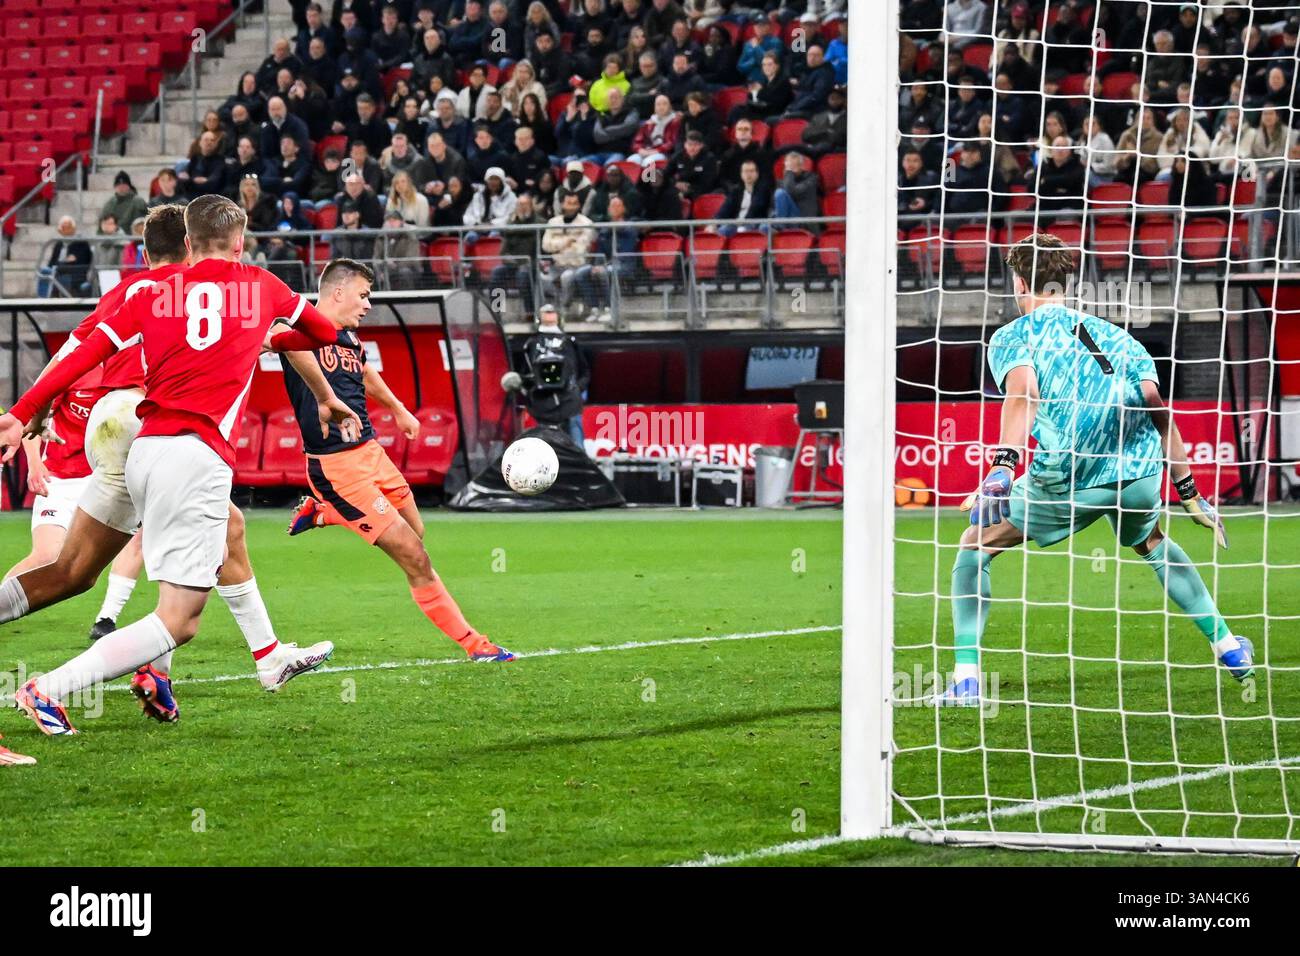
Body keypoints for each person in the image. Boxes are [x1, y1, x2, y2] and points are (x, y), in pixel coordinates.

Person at [0, 197, 353, 736]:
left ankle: (258, 658)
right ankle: (47, 689)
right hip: (194, 456)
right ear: (241, 243)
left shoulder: (150, 293)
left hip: (137, 446)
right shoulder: (260, 286)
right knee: (181, 617)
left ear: (188, 243)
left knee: (75, 571)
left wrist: (22, 411)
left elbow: (82, 352)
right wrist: (265, 332)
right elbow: (326, 333)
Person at [941, 233, 1251, 705]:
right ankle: (1230, 649)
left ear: (1020, 282)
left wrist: (1003, 468)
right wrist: (1188, 490)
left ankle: (965, 679)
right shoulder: (1119, 336)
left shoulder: (1013, 336)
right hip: (1139, 475)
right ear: (1064, 282)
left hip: (1070, 476)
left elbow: (1023, 395)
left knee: (973, 545)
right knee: (1152, 542)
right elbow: (1154, 404)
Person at [283, 259, 514, 662]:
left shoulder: (350, 338)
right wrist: (325, 399)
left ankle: (321, 514)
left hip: (371, 453)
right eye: (363, 294)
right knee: (414, 556)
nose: (368, 304)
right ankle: (476, 645)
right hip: (336, 467)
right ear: (338, 292)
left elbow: (365, 372)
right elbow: (275, 337)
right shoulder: (298, 330)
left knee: (416, 531)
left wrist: (399, 408)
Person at [519, 303, 590, 448]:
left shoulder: (570, 342)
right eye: (546, 312)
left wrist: (577, 389)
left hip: (570, 401)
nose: (550, 315)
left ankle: (580, 468)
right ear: (539, 317)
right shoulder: (531, 344)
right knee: (547, 449)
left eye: (552, 312)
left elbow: (584, 371)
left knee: (577, 445)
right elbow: (525, 374)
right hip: (543, 404)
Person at [541, 192, 596, 319]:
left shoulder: (586, 223)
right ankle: (552, 305)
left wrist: (557, 245)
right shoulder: (553, 222)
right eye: (568, 203)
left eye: (574, 203)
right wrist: (567, 241)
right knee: (542, 279)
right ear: (562, 205)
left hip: (576, 265)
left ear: (579, 206)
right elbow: (545, 245)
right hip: (556, 265)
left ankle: (563, 308)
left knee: (567, 277)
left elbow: (580, 248)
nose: (571, 206)